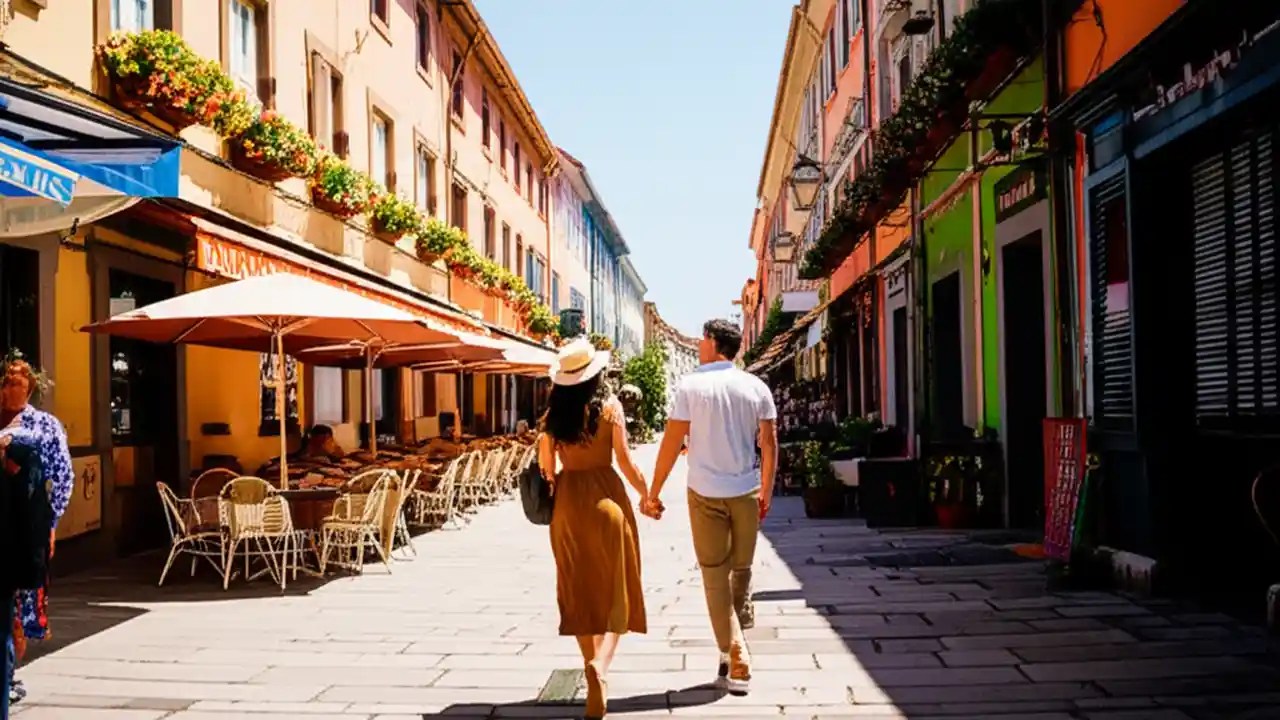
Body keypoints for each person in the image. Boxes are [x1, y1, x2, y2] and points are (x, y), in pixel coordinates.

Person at [647, 319, 777, 695]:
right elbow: (769, 443)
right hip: (746, 490)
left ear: (712, 343)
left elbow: (671, 444)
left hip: (704, 492)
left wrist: (653, 492)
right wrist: (766, 489)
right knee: (741, 571)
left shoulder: (691, 386)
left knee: (714, 575)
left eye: (703, 339)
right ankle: (730, 652)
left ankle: (735, 652)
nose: (700, 345)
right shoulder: (756, 387)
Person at [538, 338, 657, 720]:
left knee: (577, 591)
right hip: (608, 500)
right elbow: (624, 461)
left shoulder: (553, 417)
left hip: (568, 506)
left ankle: (591, 664)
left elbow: (545, 470)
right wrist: (648, 496)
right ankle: (601, 667)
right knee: (616, 590)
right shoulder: (611, 408)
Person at [0, 356, 73, 712]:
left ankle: (10, 674)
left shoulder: (43, 425)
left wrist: (52, 522)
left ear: (28, 387)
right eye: (4, 382)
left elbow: (63, 477)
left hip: (27, 528)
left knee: (20, 605)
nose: (8, 388)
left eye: (15, 382)